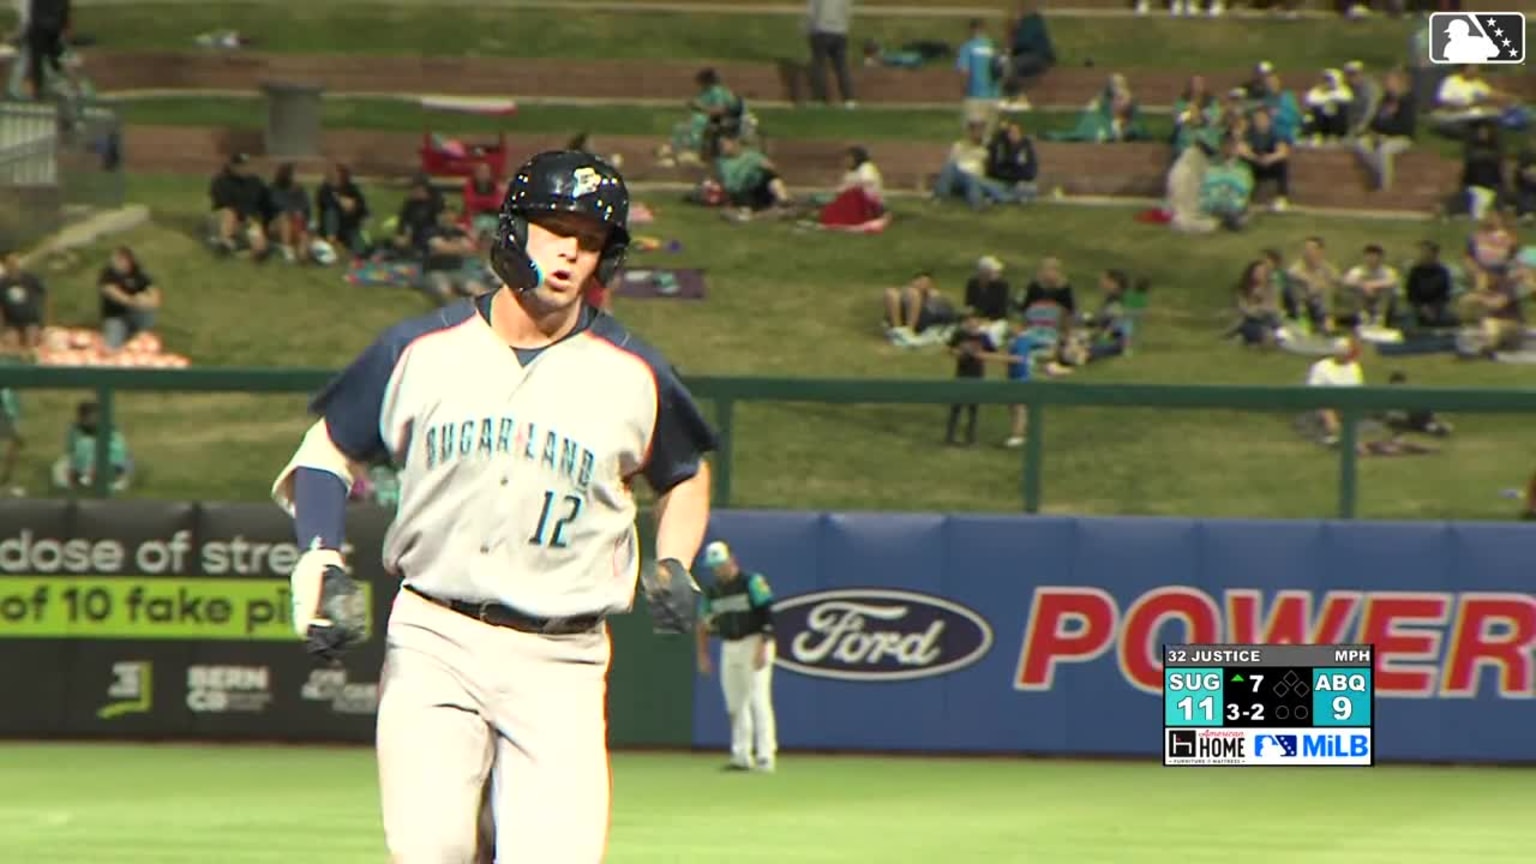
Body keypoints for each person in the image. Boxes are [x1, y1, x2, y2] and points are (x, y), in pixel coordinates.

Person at [269, 150, 717, 864]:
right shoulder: (420, 349)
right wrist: (318, 557)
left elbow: (686, 474)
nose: (570, 252)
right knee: (431, 849)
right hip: (435, 638)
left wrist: (675, 560)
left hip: (563, 655)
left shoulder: (635, 372)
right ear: (513, 229)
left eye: (590, 239)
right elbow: (326, 451)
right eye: (555, 228)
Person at [695, 540, 778, 773]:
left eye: (721, 564)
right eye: (714, 566)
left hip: (754, 641)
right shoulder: (713, 591)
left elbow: (768, 615)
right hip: (729, 645)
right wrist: (702, 654)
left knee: (758, 700)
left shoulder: (751, 582)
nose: (718, 569)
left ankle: (765, 755)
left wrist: (763, 646)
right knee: (735, 702)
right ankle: (741, 755)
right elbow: (702, 624)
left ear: (732, 560)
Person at [945, 311, 995, 446]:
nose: (972, 323)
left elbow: (991, 352)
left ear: (979, 322)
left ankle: (971, 437)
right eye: (969, 321)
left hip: (977, 374)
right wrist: (957, 352)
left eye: (975, 320)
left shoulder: (984, 337)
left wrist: (980, 354)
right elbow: (949, 348)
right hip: (961, 374)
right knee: (956, 406)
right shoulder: (959, 335)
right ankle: (950, 436)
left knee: (973, 408)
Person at [98, 246, 160, 350]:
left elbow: (154, 294)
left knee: (149, 311)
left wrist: (148, 301)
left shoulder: (139, 274)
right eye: (118, 260)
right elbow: (113, 293)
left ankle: (142, 335)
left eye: (123, 260)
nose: (120, 263)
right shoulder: (108, 275)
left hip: (137, 315)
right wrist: (134, 301)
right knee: (112, 346)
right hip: (116, 316)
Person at [0, 251, 47, 350]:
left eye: (15, 262)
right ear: (5, 265)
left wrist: (46, 317)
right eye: (10, 263)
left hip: (31, 319)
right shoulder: (2, 283)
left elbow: (44, 295)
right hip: (11, 321)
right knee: (11, 344)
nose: (14, 265)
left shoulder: (30, 278)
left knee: (31, 343)